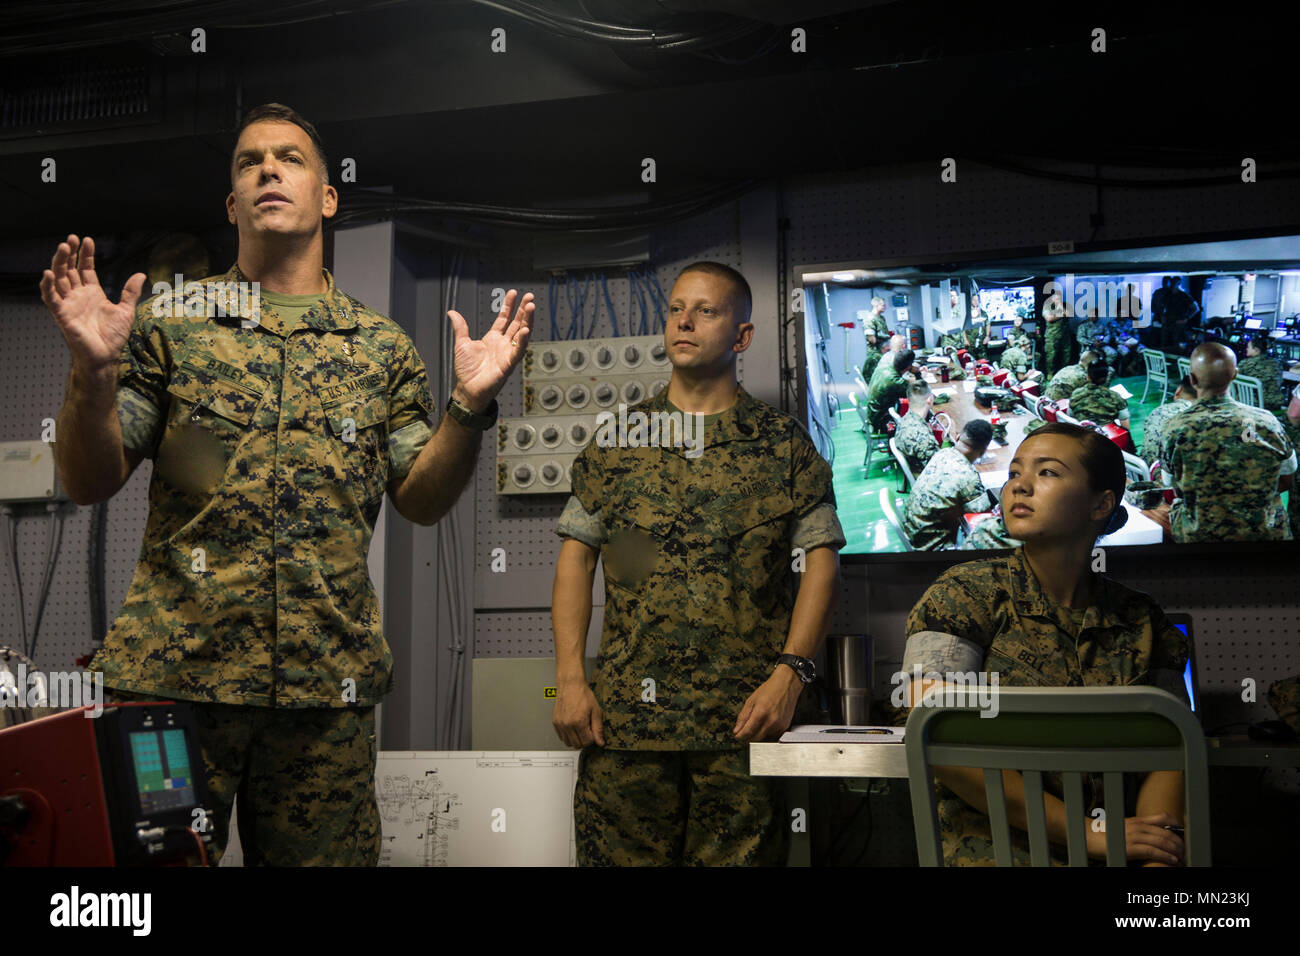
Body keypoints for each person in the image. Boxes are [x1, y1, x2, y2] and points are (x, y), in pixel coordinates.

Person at [42, 103, 534, 866]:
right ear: (232, 204)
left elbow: (422, 498)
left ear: (329, 198)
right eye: (249, 162)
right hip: (175, 685)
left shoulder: (379, 349)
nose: (269, 169)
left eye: (290, 158)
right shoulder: (173, 325)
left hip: (323, 691)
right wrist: (93, 372)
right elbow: (86, 480)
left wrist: (468, 410)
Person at [551, 261, 845, 866]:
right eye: (676, 308)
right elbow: (575, 561)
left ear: (742, 337)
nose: (683, 321)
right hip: (627, 724)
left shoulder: (782, 446)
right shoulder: (617, 441)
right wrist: (571, 680)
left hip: (743, 725)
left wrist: (792, 675)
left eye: (706, 310)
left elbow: (821, 562)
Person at [899, 422, 1191, 866]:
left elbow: (1170, 752)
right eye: (1015, 472)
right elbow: (934, 734)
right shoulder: (964, 594)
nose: (1020, 485)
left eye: (1048, 472)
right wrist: (1088, 833)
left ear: (1101, 503)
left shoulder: (1143, 620)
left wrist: (1156, 862)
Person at [1161, 343, 1296, 542]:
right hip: (1263, 536)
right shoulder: (1267, 422)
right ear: (1235, 375)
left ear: (1192, 378)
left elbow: (1170, 483)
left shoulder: (1175, 427)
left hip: (1200, 537)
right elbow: (1287, 477)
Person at [901, 420, 994, 551]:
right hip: (932, 547)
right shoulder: (969, 477)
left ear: (957, 437)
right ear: (983, 452)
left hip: (913, 531)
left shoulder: (942, 453)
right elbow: (983, 518)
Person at [1139, 375, 1195, 467]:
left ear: (1178, 391)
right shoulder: (1195, 418)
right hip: (1167, 476)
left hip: (1143, 470)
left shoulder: (1157, 411)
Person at [895, 380, 941, 475]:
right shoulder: (925, 439)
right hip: (928, 477)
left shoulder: (905, 419)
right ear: (929, 400)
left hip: (917, 467)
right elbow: (940, 470)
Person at [1068, 359, 1129, 425]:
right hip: (1105, 433)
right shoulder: (1115, 396)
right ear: (1106, 377)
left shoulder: (1076, 394)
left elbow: (1070, 416)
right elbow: (1124, 421)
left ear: (1088, 376)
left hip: (1082, 432)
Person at [867, 349, 915, 432]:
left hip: (873, 412)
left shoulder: (885, 366)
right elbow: (915, 393)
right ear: (908, 367)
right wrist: (916, 375)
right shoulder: (893, 381)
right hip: (880, 419)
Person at [1237, 335, 1286, 408]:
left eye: (1248, 347)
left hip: (1251, 404)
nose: (1246, 349)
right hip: (1275, 403)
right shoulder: (1277, 363)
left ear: (1256, 350)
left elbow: (1235, 380)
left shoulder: (1244, 364)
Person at [1152, 276, 1200, 351]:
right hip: (1167, 323)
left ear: (1178, 284)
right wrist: (1162, 316)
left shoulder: (1184, 296)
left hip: (1179, 324)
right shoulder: (1167, 295)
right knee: (1165, 345)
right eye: (1171, 283)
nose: (1172, 285)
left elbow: (1196, 308)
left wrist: (1186, 319)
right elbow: (1161, 306)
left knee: (1177, 346)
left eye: (1174, 283)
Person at [1042, 287, 1071, 376]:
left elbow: (1069, 314)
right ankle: (1050, 374)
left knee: (1066, 355)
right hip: (1052, 337)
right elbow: (1049, 318)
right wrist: (1061, 314)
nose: (1058, 299)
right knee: (1051, 357)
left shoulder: (1065, 305)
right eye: (1056, 298)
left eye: (1059, 298)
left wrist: (1061, 306)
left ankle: (1064, 373)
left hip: (1064, 336)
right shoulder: (1047, 306)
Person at [861, 297, 891, 380]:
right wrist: (885, 343)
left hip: (884, 352)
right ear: (875, 305)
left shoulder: (881, 318)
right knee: (878, 378)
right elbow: (871, 339)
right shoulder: (869, 319)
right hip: (875, 354)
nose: (885, 307)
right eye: (883, 305)